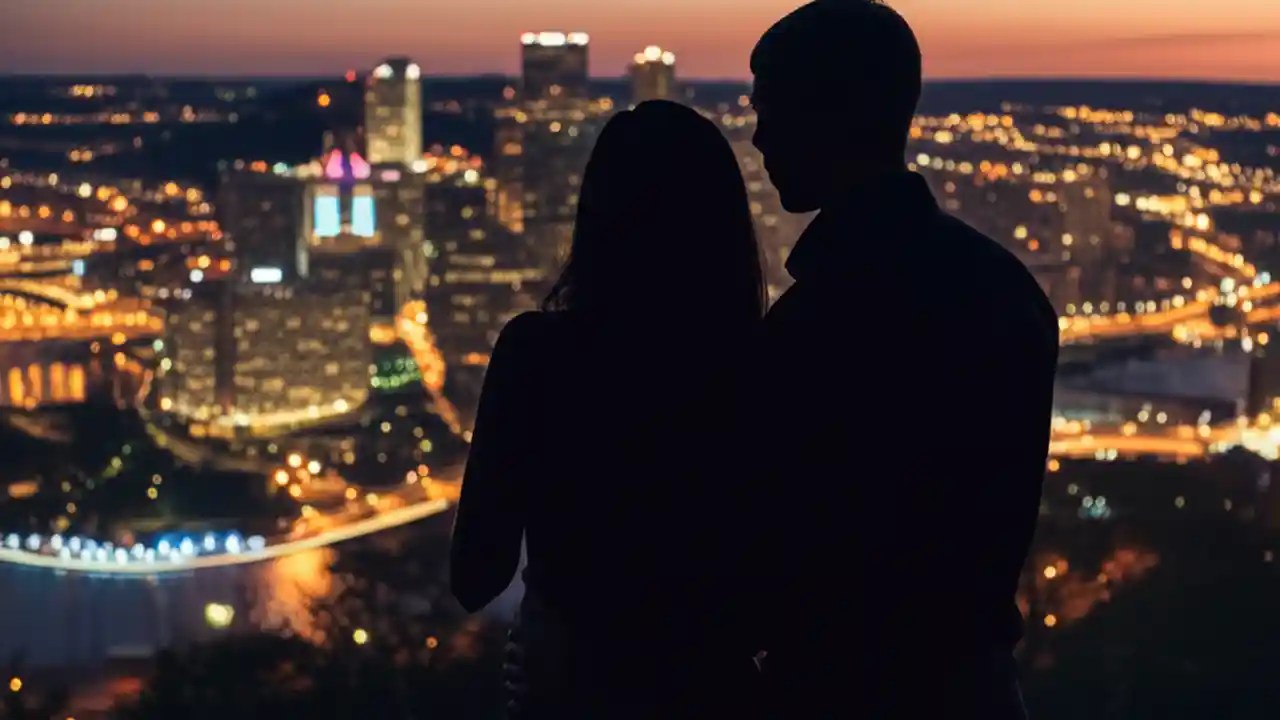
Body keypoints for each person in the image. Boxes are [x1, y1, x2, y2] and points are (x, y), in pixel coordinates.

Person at [749, 1, 1059, 717]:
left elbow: (782, 541)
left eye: (773, 110)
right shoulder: (1005, 290)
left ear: (834, 112)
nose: (760, 136)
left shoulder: (820, 319)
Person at [450, 100, 766, 718]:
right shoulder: (768, 363)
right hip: (713, 693)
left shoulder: (538, 355)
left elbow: (475, 577)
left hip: (572, 687)